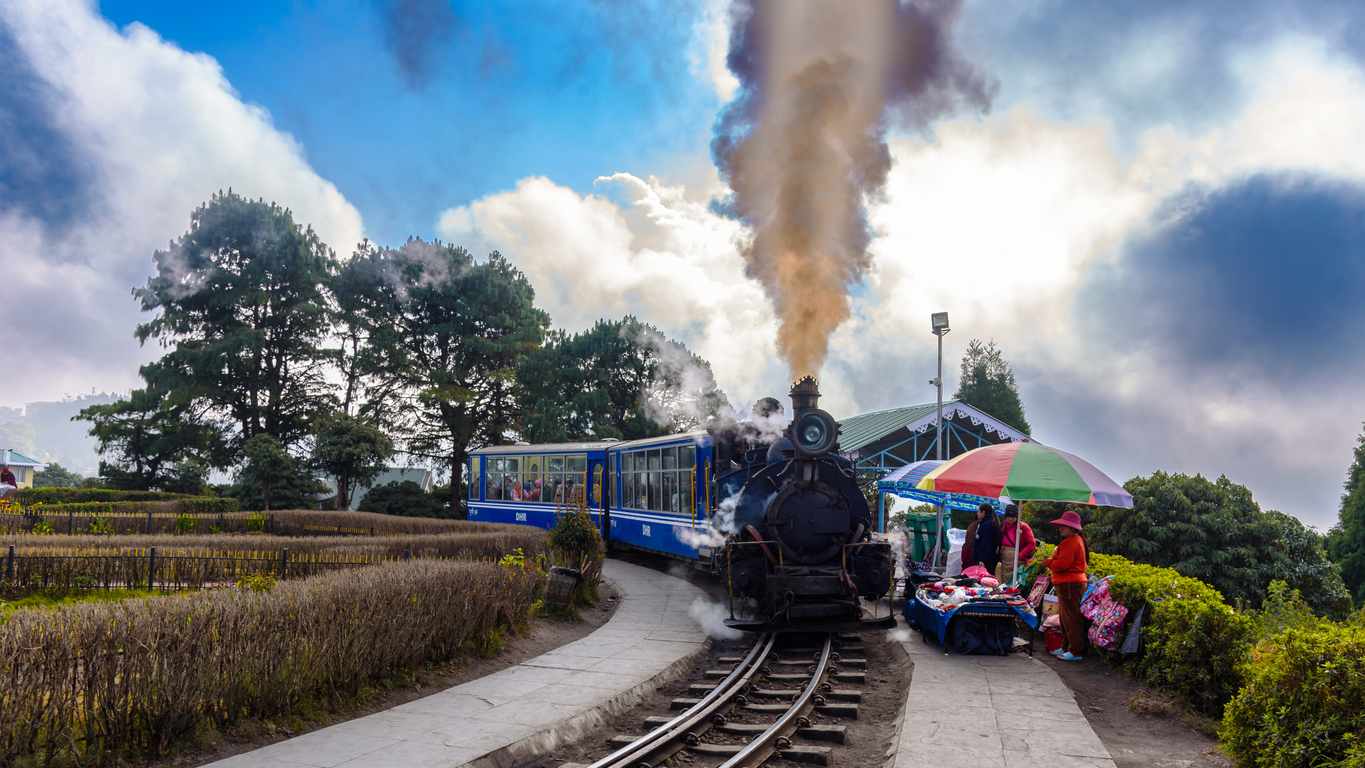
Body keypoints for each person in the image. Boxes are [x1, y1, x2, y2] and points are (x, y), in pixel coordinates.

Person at [1044, 510, 1088, 661]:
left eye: (1065, 525)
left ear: (1073, 528)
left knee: (1071, 618)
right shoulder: (1075, 540)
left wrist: (1047, 562)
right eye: (1061, 525)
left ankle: (1076, 651)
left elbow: (1062, 565)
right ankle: (1066, 647)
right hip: (1069, 584)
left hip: (1070, 584)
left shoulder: (1071, 542)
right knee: (1065, 618)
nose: (1061, 528)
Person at [997, 504, 1037, 585]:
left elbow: (1031, 544)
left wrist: (1020, 556)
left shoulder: (1023, 527)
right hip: (1005, 562)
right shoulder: (1002, 528)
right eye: (1008, 516)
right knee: (1005, 583)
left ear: (1017, 517)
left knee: (1017, 582)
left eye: (1013, 516)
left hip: (1020, 560)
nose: (1010, 519)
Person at [972, 503, 1000, 574]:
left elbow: (986, 543)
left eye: (978, 511)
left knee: (985, 581)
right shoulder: (985, 523)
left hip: (986, 560)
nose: (977, 513)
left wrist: (983, 559)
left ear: (983, 512)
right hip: (983, 558)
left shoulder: (987, 525)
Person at [962, 503, 989, 570]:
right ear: (983, 512)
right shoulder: (981, 524)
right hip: (971, 550)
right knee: (971, 572)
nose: (978, 513)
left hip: (965, 549)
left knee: (965, 571)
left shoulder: (972, 524)